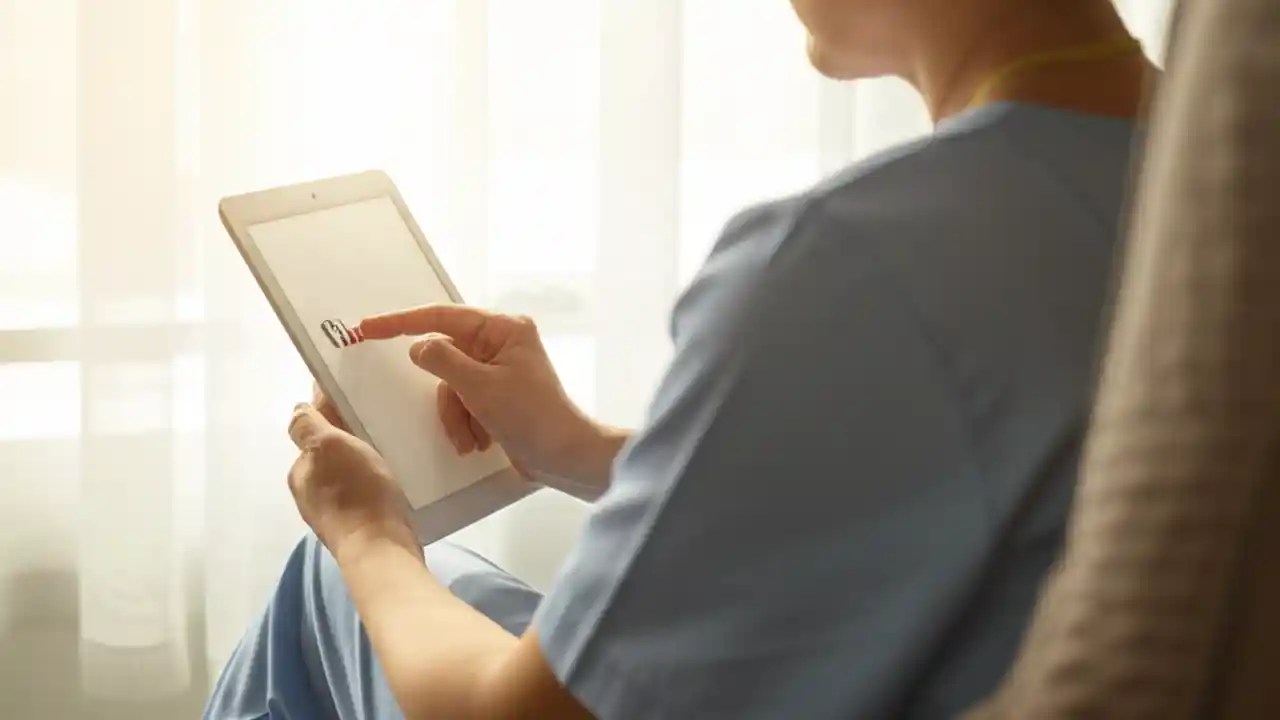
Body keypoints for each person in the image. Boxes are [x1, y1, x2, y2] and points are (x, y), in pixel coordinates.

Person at [205, 0, 1158, 717]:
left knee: (330, 580)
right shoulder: (1203, 178)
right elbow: (974, 469)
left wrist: (366, 531)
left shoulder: (863, 257)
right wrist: (580, 447)